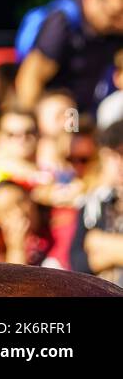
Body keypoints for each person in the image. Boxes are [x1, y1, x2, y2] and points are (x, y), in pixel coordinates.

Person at [15, 0, 123, 114]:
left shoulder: (110, 33)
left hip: (84, 117)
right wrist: (37, 126)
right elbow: (30, 79)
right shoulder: (62, 23)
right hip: (59, 117)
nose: (120, 24)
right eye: (114, 15)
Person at [70, 120, 123, 286]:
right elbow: (77, 262)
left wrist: (99, 242)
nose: (119, 163)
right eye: (112, 156)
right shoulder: (95, 202)